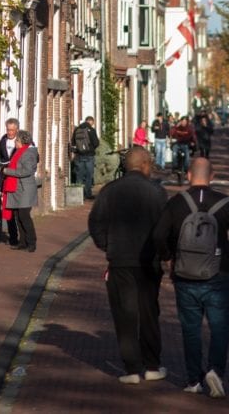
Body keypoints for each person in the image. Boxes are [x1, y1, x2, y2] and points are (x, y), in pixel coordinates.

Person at [153, 157, 229, 398]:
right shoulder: (227, 204)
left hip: (185, 274)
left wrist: (168, 258)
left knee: (191, 328)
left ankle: (194, 380)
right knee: (220, 327)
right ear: (213, 175)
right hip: (219, 274)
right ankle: (216, 371)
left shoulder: (176, 203)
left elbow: (158, 235)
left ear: (188, 175)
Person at [87, 147, 168, 384]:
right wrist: (164, 253)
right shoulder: (157, 192)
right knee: (149, 312)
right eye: (150, 163)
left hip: (120, 261)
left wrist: (108, 246)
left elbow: (95, 223)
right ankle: (152, 365)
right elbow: (166, 227)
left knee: (125, 314)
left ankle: (132, 369)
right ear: (144, 165)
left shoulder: (110, 191)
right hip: (148, 262)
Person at [3, 130, 40, 252]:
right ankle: (22, 242)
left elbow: (27, 171)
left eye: (17, 141)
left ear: (22, 141)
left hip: (25, 189)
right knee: (18, 215)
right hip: (18, 189)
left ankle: (32, 242)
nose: (15, 143)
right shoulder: (21, 152)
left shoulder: (28, 153)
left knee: (24, 215)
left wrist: (8, 171)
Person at [0, 118, 21, 247]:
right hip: (5, 178)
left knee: (18, 211)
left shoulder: (22, 140)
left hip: (18, 179)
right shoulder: (3, 141)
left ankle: (23, 237)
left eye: (12, 130)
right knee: (8, 207)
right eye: (8, 129)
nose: (10, 132)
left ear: (17, 130)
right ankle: (13, 237)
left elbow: (32, 156)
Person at [72, 116, 100, 200]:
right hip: (89, 155)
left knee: (79, 175)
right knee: (88, 175)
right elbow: (96, 143)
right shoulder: (91, 130)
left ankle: (78, 195)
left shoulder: (77, 130)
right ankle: (88, 194)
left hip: (79, 155)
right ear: (91, 121)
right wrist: (91, 148)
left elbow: (73, 142)